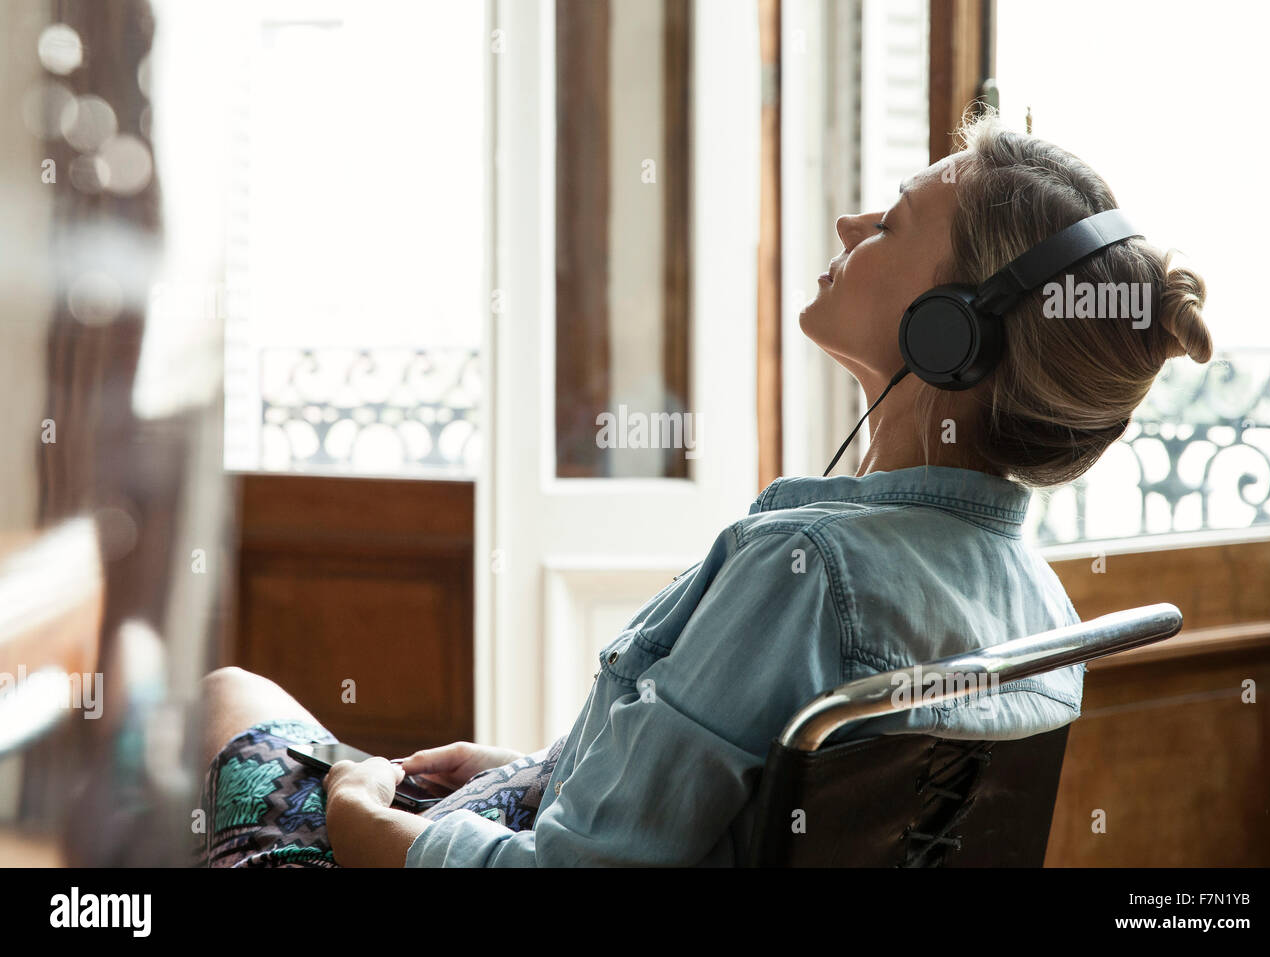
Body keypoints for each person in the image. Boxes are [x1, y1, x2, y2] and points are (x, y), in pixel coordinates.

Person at [198, 108, 1212, 867]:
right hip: (525, 811)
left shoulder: (805, 572)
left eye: (895, 222)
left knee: (218, 701)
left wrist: (369, 826)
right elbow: (736, 818)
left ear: (949, 333)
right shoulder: (1032, 602)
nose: (853, 219)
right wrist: (541, 770)